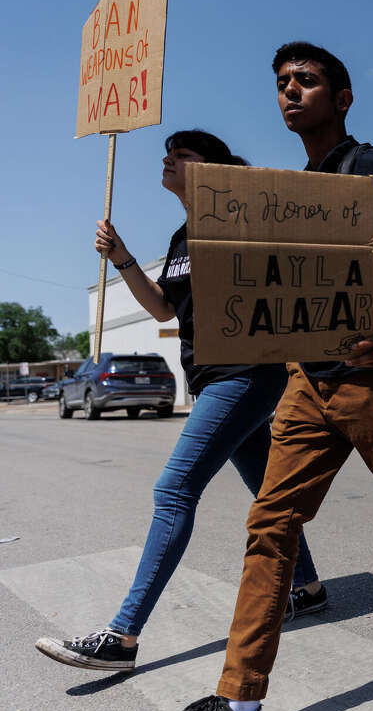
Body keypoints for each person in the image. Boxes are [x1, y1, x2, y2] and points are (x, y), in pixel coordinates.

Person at [134, 43, 373, 711]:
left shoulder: (367, 168)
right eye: (282, 83)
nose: (290, 90)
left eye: (308, 80)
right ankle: (238, 703)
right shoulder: (301, 190)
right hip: (305, 384)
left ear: (343, 98)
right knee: (270, 524)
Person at [34, 131, 327, 675]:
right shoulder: (179, 237)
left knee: (173, 490)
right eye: (166, 154)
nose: (167, 160)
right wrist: (122, 258)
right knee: (269, 490)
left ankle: (122, 636)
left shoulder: (240, 219)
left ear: (214, 170)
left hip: (245, 374)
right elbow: (166, 311)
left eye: (183, 154)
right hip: (211, 375)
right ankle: (306, 587)